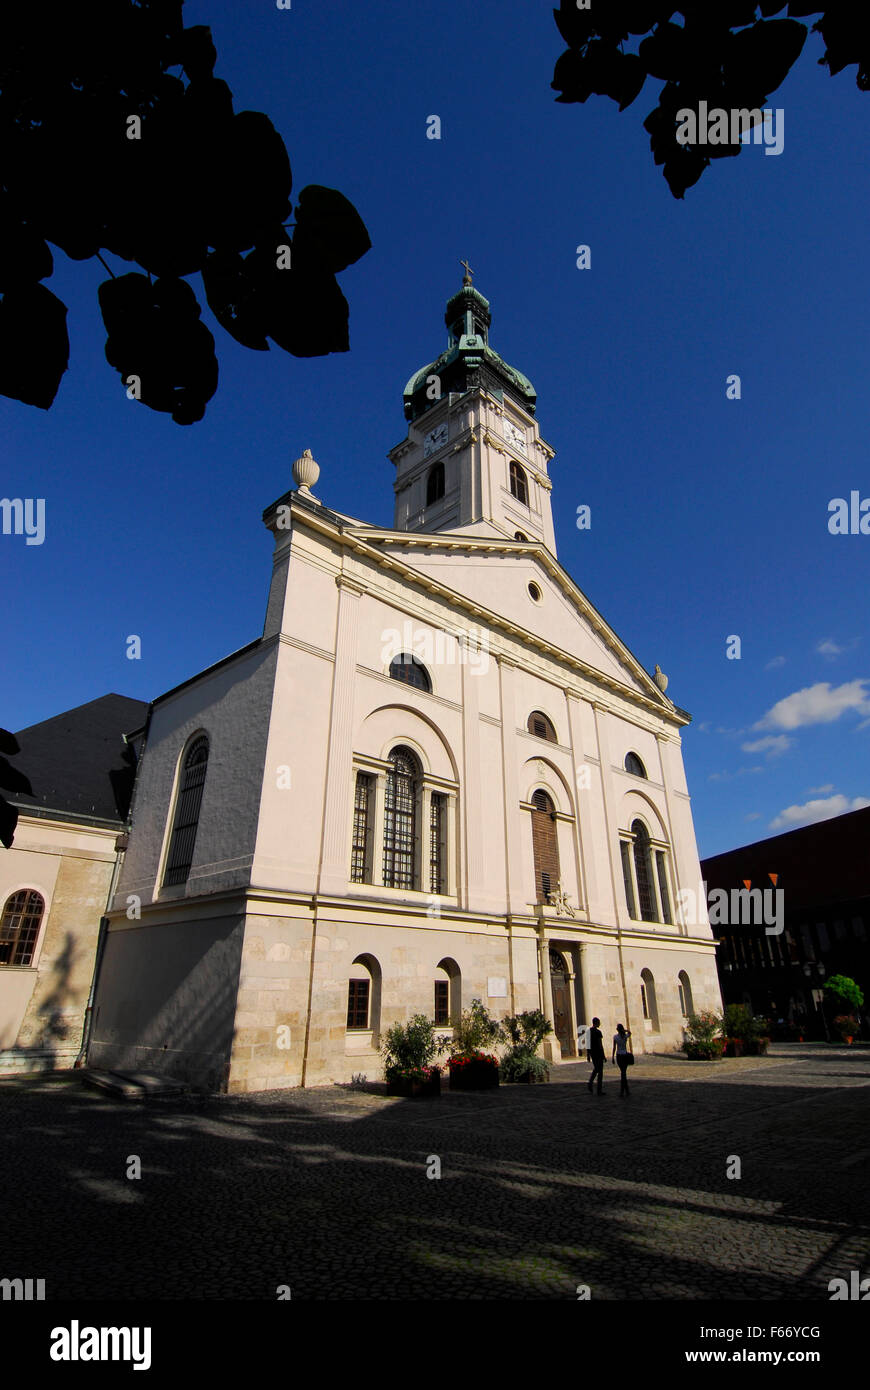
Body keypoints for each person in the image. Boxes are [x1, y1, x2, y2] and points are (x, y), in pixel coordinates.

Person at [612, 1023, 632, 1095]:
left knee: (623, 1073)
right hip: (624, 1055)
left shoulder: (615, 1037)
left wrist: (612, 1057)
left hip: (619, 1056)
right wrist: (625, 1030)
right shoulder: (625, 1036)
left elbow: (614, 1048)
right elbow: (630, 1033)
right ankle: (625, 1091)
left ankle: (623, 1091)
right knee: (624, 1073)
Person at [587, 1016, 605, 1094]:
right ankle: (598, 1089)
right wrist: (603, 1055)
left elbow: (587, 1044)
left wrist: (588, 1054)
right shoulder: (598, 1032)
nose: (599, 1024)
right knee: (600, 1071)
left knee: (596, 1068)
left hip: (592, 1053)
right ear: (596, 1023)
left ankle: (590, 1083)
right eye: (599, 1022)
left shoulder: (589, 1031)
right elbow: (600, 1044)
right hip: (598, 1052)